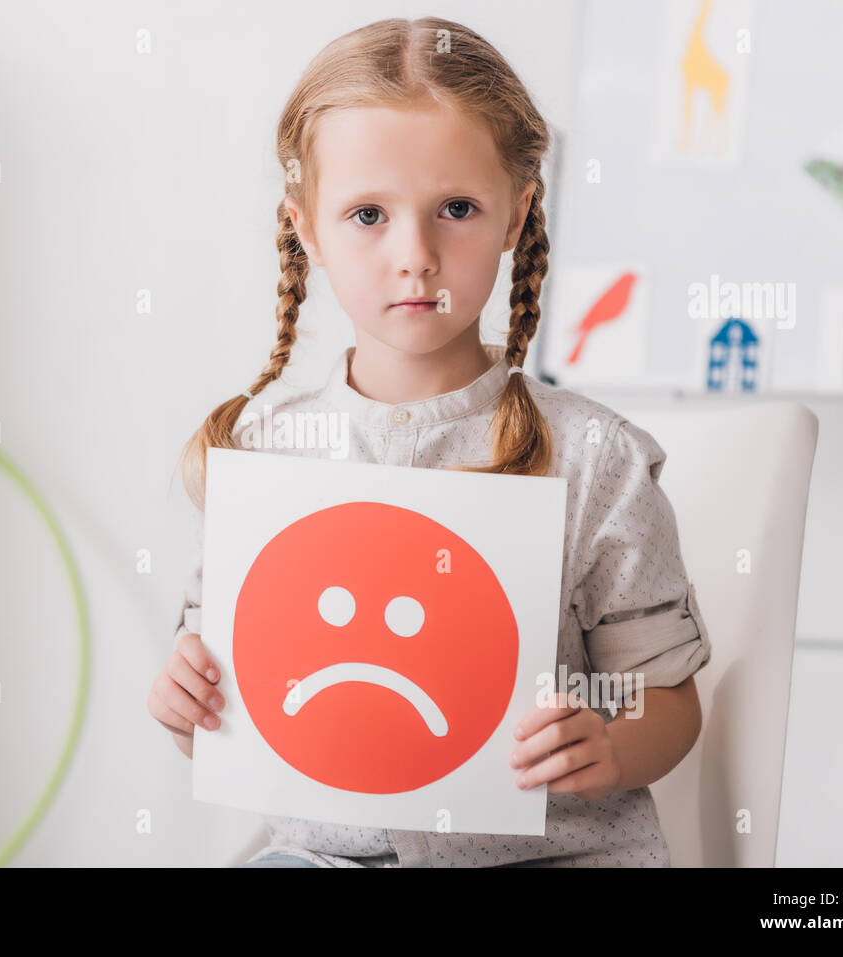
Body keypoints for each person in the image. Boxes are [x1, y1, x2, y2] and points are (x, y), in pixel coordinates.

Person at [147, 16, 711, 868]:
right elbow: (243, 713)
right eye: (367, 213)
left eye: (456, 209)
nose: (414, 256)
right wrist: (188, 700)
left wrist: (610, 740)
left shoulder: (595, 459)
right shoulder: (266, 455)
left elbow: (663, 698)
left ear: (518, 213)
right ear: (306, 229)